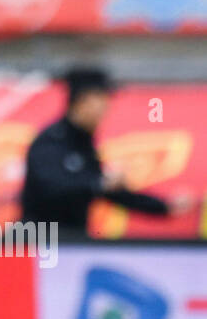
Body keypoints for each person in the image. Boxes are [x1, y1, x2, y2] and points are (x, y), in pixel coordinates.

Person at [19, 66, 194, 237]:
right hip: (40, 244)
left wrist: (164, 206)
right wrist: (99, 183)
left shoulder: (84, 143)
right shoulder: (50, 142)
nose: (107, 107)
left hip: (72, 243)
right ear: (82, 101)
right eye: (102, 98)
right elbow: (54, 188)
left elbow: (111, 192)